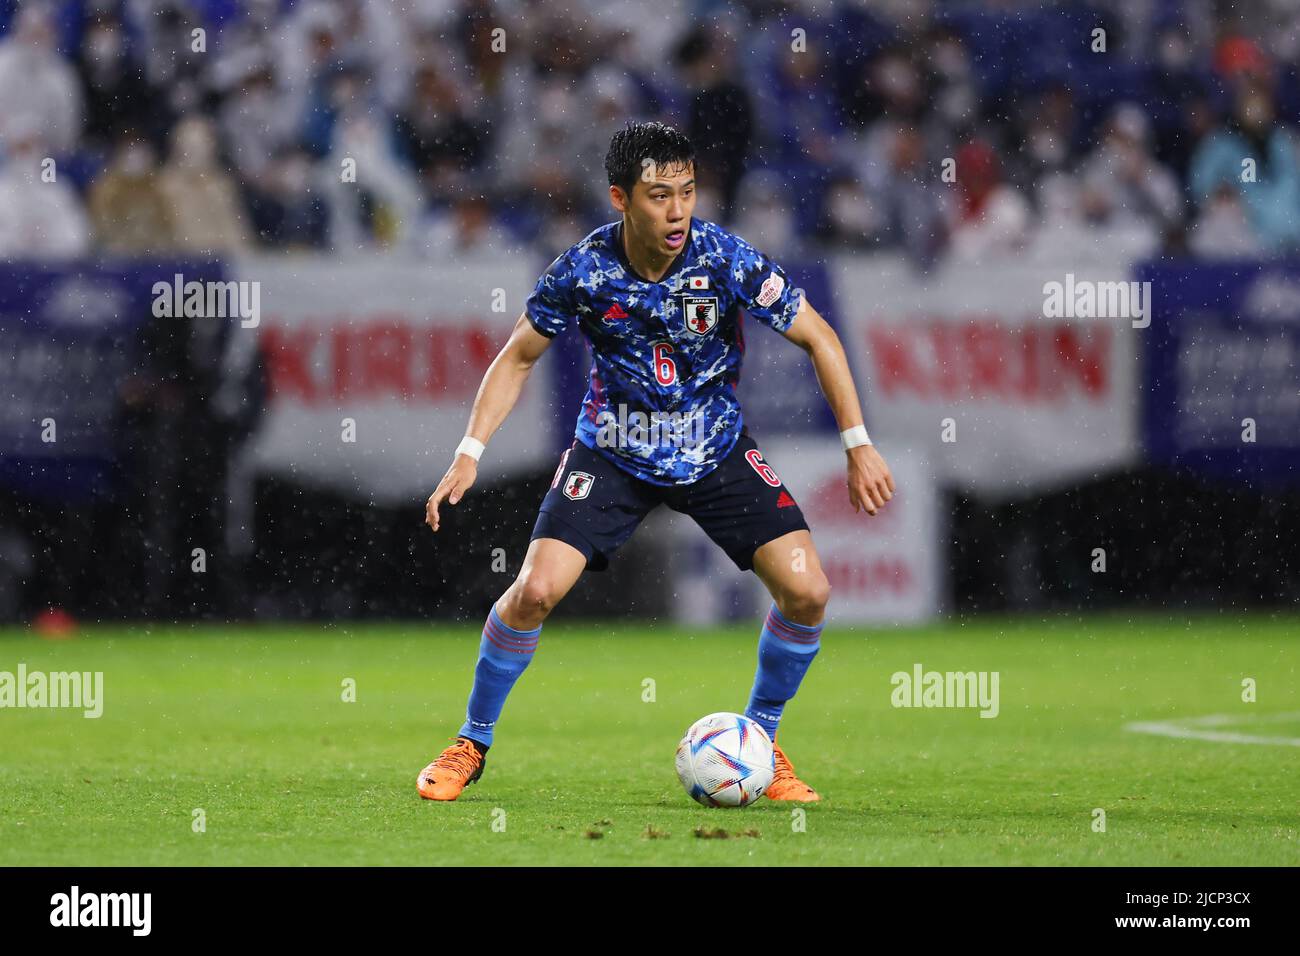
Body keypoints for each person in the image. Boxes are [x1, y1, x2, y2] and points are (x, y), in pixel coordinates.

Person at [418, 122, 895, 802]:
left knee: (809, 591)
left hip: (715, 449)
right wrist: (469, 454)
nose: (677, 211)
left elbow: (819, 337)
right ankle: (471, 741)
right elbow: (519, 356)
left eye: (688, 193)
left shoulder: (724, 258)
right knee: (534, 591)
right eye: (658, 195)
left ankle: (759, 743)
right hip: (613, 451)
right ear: (620, 198)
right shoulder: (583, 269)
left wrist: (857, 443)